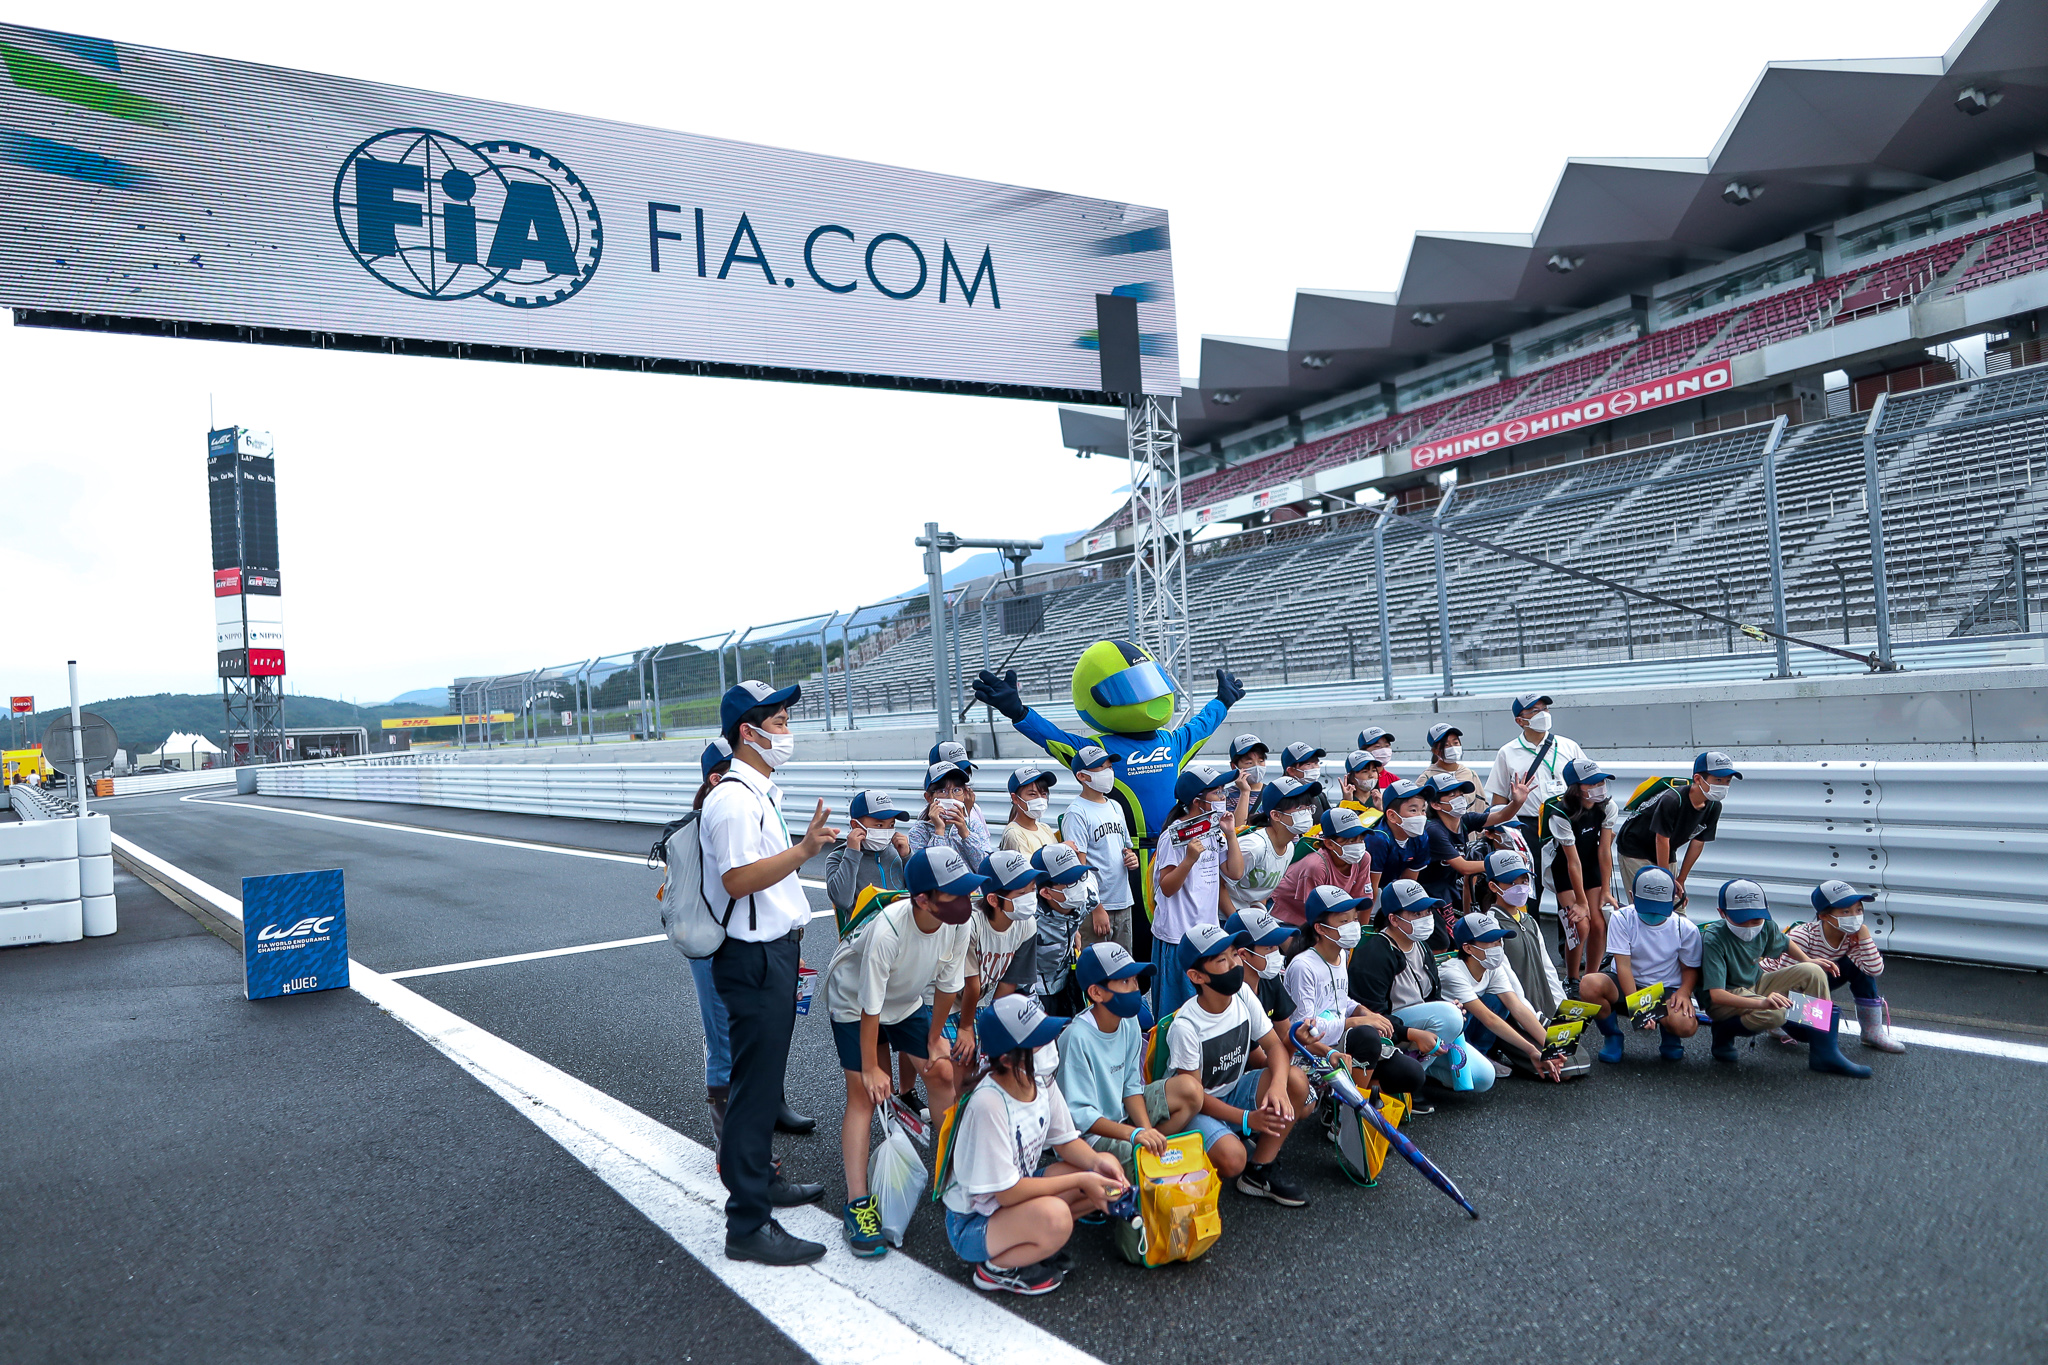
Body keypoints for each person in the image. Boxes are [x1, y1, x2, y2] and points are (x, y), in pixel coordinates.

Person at [973, 645, 1245, 965]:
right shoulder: (1098, 751)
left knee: (1182, 933)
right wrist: (1018, 711)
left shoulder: (1169, 742)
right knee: (1140, 944)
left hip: (1175, 849)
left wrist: (1222, 702)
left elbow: (1199, 728)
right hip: (1128, 863)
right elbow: (1054, 738)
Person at [701, 680, 835, 1266]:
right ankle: (747, 1224)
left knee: (764, 1082)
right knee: (752, 1092)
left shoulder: (761, 791)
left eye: (784, 718)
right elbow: (736, 880)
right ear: (746, 732)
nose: (786, 729)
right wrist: (804, 851)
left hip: (774, 950)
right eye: (777, 720)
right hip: (751, 957)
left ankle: (762, 1182)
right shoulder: (732, 798)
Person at [828, 846, 982, 1257]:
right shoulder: (888, 932)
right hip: (852, 1003)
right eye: (955, 893)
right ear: (922, 900)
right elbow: (869, 1007)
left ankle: (948, 1173)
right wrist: (871, 1068)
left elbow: (949, 985)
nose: (966, 901)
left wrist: (934, 1040)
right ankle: (858, 1202)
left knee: (943, 1071)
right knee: (864, 1093)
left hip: (906, 1000)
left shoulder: (957, 919)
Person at [940, 993, 1129, 1296]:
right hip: (974, 1222)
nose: (1047, 1046)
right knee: (1058, 1218)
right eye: (1036, 1042)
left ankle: (1031, 1242)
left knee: (1097, 1173)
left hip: (1010, 1199)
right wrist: (1084, 1177)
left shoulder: (1038, 1080)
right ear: (1006, 1058)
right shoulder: (988, 1103)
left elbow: (1067, 1142)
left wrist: (1096, 1164)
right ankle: (997, 1268)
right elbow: (1008, 1191)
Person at [1160, 922, 1309, 1202]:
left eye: (1234, 954)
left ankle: (1260, 1169)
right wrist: (1246, 1118)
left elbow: (1274, 1045)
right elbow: (1196, 1098)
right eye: (1221, 960)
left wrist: (1277, 1087)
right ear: (1197, 976)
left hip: (1233, 1090)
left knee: (1294, 1080)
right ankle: (1197, 1157)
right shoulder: (1187, 1026)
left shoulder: (1241, 993)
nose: (1234, 964)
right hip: (1198, 1109)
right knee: (1232, 1159)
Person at [1697, 878, 1869, 1078]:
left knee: (1812, 971)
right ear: (1722, 913)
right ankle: (1724, 1030)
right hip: (1726, 996)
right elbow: (1716, 995)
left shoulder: (1766, 925)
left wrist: (1809, 960)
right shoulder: (1713, 939)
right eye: (1741, 919)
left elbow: (1785, 943)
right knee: (1775, 1013)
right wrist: (1762, 1003)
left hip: (1755, 982)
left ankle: (1824, 1052)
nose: (1750, 925)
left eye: (1756, 919)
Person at [1347, 879, 1485, 1093]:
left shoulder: (1421, 947)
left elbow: (1431, 998)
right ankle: (1404, 1084)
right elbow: (1372, 1017)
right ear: (1393, 919)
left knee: (1483, 1077)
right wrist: (1414, 1032)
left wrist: (1448, 1006)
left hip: (1416, 1032)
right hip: (1393, 1031)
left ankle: (1417, 1068)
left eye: (1427, 911)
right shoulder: (1374, 953)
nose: (1426, 918)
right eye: (1416, 914)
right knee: (1448, 1016)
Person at [1055, 943, 1169, 1168]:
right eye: (1125, 982)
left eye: (1135, 980)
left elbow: (1131, 1086)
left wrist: (1144, 1131)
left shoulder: (1129, 1021)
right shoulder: (1076, 1037)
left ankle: (1156, 1145)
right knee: (1133, 1152)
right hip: (1089, 1137)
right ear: (1096, 992)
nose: (1135, 988)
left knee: (1187, 1090)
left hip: (1123, 1119)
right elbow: (1080, 1115)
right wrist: (1132, 1135)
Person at [1150, 764, 1250, 1015]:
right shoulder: (1173, 836)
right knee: (1177, 1010)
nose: (1223, 799)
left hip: (1208, 934)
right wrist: (1189, 860)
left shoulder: (1214, 830)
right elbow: (1167, 887)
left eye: (1223, 792)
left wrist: (1231, 835)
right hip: (1177, 937)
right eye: (1217, 793)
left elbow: (1235, 872)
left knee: (1206, 1005)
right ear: (1198, 801)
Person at [1761, 881, 1904, 1053]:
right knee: (1811, 1035)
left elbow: (1874, 970)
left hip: (1818, 979)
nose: (1855, 916)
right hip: (1776, 988)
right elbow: (1785, 982)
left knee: (1860, 968)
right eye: (1845, 911)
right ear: (1824, 916)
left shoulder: (1854, 936)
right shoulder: (1802, 936)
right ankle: (1776, 1022)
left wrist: (1864, 935)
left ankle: (1872, 1032)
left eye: (1858, 910)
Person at [1578, 866, 1700, 1063]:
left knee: (1686, 1025)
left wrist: (1684, 992)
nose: (1653, 912)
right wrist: (1639, 1008)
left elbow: (1690, 968)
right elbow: (1623, 966)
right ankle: (1612, 1036)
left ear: (1673, 899)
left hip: (1665, 989)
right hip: (1627, 985)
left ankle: (1671, 1035)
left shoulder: (1685, 927)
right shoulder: (1622, 918)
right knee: (1589, 984)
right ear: (1631, 896)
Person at [1484, 695, 1586, 922]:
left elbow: (1587, 784)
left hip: (1567, 822)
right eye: (1534, 711)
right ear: (1520, 721)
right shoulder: (1507, 752)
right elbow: (1499, 800)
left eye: (1545, 708)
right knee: (1529, 887)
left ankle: (1568, 950)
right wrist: (1501, 835)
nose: (1543, 714)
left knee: (1569, 884)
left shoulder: (1569, 746)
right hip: (1528, 826)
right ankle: (1533, 940)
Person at [1439, 911, 1565, 1082]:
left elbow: (1517, 1007)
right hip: (1445, 1036)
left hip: (1468, 1025)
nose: (1497, 947)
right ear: (1468, 948)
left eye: (1499, 941)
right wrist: (1531, 1050)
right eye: (1490, 942)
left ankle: (1481, 1054)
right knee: (1479, 1079)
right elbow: (1489, 1018)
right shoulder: (1452, 973)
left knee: (1498, 1001)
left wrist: (1550, 1047)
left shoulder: (1492, 968)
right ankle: (1452, 1062)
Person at [1616, 750, 1740, 904]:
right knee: (1649, 902)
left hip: (1668, 848)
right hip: (1635, 848)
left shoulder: (1714, 806)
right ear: (1698, 779)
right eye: (1718, 780)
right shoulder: (1673, 800)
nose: (1723, 786)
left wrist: (1681, 879)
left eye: (1728, 781)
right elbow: (1661, 839)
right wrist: (1666, 880)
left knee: (1676, 902)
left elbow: (1698, 842)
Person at [1539, 758, 1623, 983]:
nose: (1599, 788)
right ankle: (1572, 977)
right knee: (1580, 924)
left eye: (1601, 782)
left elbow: (1605, 851)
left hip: (1592, 864)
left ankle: (1592, 977)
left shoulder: (1607, 806)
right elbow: (1571, 861)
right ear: (1576, 789)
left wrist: (1605, 890)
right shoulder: (1560, 813)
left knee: (1599, 923)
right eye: (1591, 784)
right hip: (1565, 869)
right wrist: (1581, 902)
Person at [1058, 745, 1136, 953]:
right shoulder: (1076, 813)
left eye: (1109, 767)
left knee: (1123, 966)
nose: (1108, 772)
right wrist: (1096, 908)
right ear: (1082, 776)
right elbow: (1079, 867)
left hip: (1123, 902)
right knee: (1099, 969)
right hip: (1097, 908)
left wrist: (1131, 858)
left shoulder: (1115, 806)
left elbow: (1125, 848)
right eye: (1101, 768)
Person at [1418, 771, 1522, 922]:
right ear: (1435, 804)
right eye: (1452, 795)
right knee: (1443, 943)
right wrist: (1504, 861)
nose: (1460, 798)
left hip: (1449, 890)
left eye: (1461, 794)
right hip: (1429, 893)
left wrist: (1517, 802)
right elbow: (1464, 867)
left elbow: (1500, 817)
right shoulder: (1434, 830)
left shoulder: (1465, 820)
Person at [1226, 777, 1317, 916]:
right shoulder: (1254, 847)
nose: (1306, 812)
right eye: (1299, 807)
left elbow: (1260, 892)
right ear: (1275, 815)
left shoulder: (1289, 848)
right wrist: (1236, 922)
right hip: (1225, 918)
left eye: (1308, 807)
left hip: (1249, 917)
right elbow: (1219, 886)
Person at [1271, 805, 1374, 926]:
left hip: (1328, 913)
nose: (1358, 845)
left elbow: (1363, 899)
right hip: (1287, 914)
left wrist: (1359, 936)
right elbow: (1315, 913)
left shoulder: (1363, 858)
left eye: (1361, 839)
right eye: (1351, 841)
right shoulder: (1316, 866)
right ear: (1330, 844)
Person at [1024, 842, 1095, 1011]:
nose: (1079, 885)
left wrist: (1074, 930)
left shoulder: (1088, 895)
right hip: (1035, 988)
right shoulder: (1027, 919)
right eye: (1070, 882)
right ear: (1046, 892)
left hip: (1067, 981)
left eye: (1080, 876)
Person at [826, 789, 911, 916]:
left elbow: (922, 893)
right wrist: (852, 853)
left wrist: (908, 857)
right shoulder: (838, 857)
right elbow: (842, 901)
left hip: (900, 927)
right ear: (856, 825)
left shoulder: (896, 851)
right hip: (863, 933)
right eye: (879, 826)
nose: (887, 831)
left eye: (891, 825)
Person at [1358, 778, 1434, 910]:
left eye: (1423, 810)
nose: (1421, 817)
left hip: (1391, 888)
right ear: (1392, 816)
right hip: (1366, 891)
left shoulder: (1421, 836)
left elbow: (1408, 883)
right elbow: (1370, 889)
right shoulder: (1378, 839)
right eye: (1413, 810)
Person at [909, 759, 992, 868]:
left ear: (964, 794)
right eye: (942, 791)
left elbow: (984, 867)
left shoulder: (973, 825)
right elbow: (932, 870)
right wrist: (939, 831)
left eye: (957, 790)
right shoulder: (919, 832)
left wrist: (965, 833)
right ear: (929, 798)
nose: (951, 797)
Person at [999, 763, 1063, 858]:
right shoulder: (1014, 834)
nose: (1040, 799)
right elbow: (1030, 869)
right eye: (1032, 794)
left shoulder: (1045, 828)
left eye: (1043, 793)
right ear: (1015, 798)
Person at [1418, 722, 1483, 794]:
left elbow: (1481, 803)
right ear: (1435, 751)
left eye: (1455, 743)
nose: (1453, 748)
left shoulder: (1470, 774)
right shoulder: (1426, 778)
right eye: (1446, 745)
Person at [1278, 741, 1333, 825]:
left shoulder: (1319, 796)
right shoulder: (1279, 797)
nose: (1315, 768)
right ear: (1291, 770)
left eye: (1316, 763)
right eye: (1308, 764)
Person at [1336, 750, 1388, 814]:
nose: (1371, 775)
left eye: (1374, 770)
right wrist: (1347, 802)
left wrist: (1380, 808)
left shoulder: (1379, 799)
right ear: (1351, 777)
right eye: (1365, 772)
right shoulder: (1344, 804)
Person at [1355, 726, 1400, 791]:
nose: (1384, 750)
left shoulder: (1394, 781)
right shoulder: (1357, 779)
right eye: (1377, 746)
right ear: (1364, 751)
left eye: (1387, 746)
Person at [1228, 733, 1270, 797]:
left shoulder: (1273, 793)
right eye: (1249, 763)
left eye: (1261, 761)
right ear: (1234, 766)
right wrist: (1245, 792)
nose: (1256, 767)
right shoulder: (1226, 796)